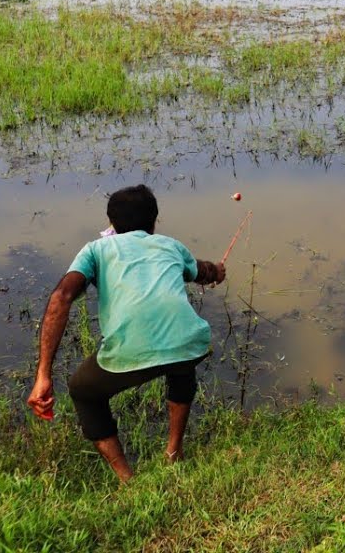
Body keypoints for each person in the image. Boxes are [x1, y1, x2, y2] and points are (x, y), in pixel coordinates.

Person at [27, 185, 226, 482]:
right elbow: (202, 271)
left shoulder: (95, 249)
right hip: (190, 341)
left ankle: (127, 478)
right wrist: (218, 271)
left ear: (112, 224)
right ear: (154, 221)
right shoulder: (170, 245)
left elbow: (61, 298)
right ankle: (173, 452)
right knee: (181, 360)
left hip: (140, 348)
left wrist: (44, 373)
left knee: (83, 391)